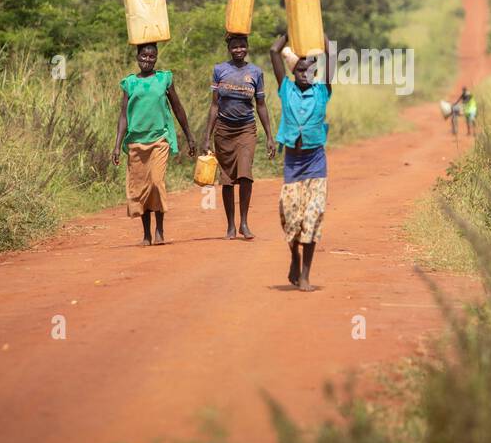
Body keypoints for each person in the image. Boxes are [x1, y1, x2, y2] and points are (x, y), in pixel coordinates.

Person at [112, 41, 196, 246]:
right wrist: (116, 145)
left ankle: (160, 230)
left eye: (151, 57)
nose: (147, 60)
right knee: (141, 188)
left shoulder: (164, 79)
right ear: (137, 58)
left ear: (156, 58)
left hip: (160, 139)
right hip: (136, 142)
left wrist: (189, 136)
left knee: (156, 183)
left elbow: (178, 108)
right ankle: (146, 235)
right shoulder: (130, 83)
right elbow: (123, 116)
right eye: (143, 56)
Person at [269, 32, 331, 292]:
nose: (305, 74)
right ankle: (294, 258)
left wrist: (315, 28)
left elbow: (333, 56)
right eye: (300, 70)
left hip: (316, 163)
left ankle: (306, 274)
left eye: (309, 71)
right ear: (294, 73)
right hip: (293, 165)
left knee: (313, 217)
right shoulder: (286, 89)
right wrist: (290, 30)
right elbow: (274, 51)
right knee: (291, 219)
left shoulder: (322, 91)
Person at [205, 33, 275, 240]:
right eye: (234, 47)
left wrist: (270, 136)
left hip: (246, 129)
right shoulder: (219, 70)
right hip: (224, 131)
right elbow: (214, 105)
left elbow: (261, 105)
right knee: (227, 180)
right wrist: (207, 137)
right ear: (229, 49)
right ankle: (230, 226)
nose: (238, 50)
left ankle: (244, 223)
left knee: (245, 175)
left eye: (242, 46)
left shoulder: (255, 72)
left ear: (247, 48)